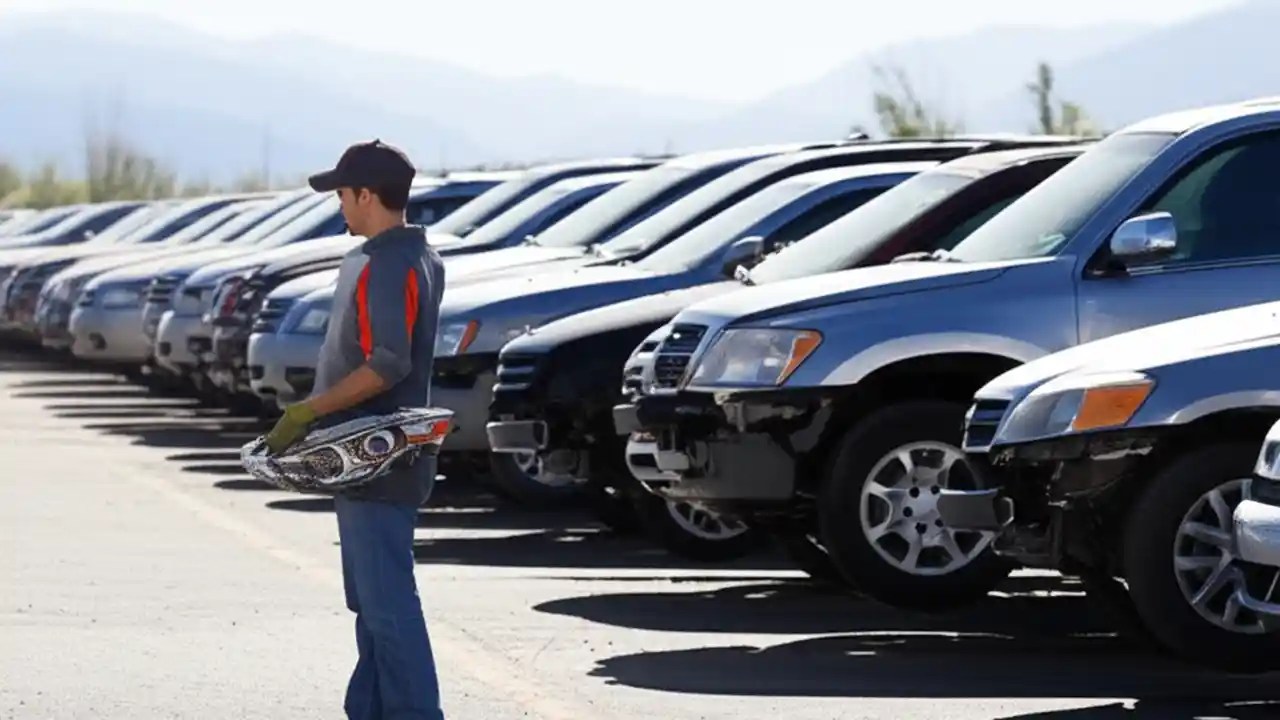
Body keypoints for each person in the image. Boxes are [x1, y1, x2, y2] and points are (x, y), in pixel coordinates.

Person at [263, 139, 447, 720]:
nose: (339, 205)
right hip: (379, 460)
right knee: (372, 604)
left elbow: (387, 361)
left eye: (343, 193)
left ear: (367, 194)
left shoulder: (383, 264)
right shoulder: (414, 255)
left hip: (374, 461)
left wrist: (309, 412)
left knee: (388, 606)